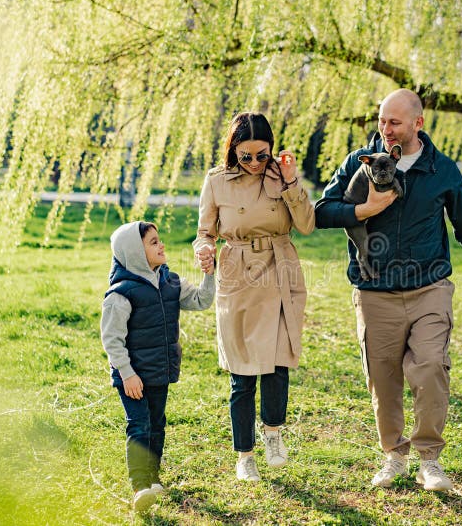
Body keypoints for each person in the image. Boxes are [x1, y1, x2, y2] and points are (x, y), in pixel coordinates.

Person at [314, 88, 462, 492]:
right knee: (383, 379)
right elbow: (320, 212)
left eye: (394, 122)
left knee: (430, 368)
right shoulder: (360, 162)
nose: (385, 130)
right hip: (375, 290)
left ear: (417, 124)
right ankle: (394, 456)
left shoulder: (441, 170)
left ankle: (430, 459)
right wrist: (364, 210)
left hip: (429, 287)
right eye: (381, 120)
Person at [193, 112, 315, 482]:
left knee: (279, 361)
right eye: (245, 156)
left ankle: (273, 433)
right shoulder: (216, 181)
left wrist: (291, 182)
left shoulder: (281, 175)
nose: (254, 163)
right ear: (233, 151)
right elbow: (204, 232)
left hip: (280, 268)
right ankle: (244, 455)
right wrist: (204, 249)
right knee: (242, 371)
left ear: (271, 149)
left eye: (261, 155)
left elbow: (307, 224)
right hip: (238, 273)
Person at [101, 221, 215, 512]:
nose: (161, 245)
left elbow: (201, 301)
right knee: (139, 426)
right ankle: (140, 485)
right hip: (133, 376)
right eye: (153, 242)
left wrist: (209, 275)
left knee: (157, 425)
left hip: (159, 372)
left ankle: (153, 479)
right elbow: (112, 339)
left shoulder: (170, 281)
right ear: (135, 253)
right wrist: (127, 374)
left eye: (159, 240)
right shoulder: (122, 292)